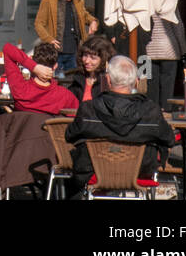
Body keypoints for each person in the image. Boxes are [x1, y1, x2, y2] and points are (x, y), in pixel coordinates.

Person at [65, 54, 176, 192]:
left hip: (94, 170)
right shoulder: (151, 111)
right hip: (140, 171)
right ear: (136, 82)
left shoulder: (88, 109)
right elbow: (169, 139)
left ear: (108, 80)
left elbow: (70, 136)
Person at [34, 0, 98, 74]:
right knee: (56, 78)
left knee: (72, 78)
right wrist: (49, 39)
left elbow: (84, 16)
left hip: (74, 50)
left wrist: (93, 21)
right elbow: (39, 24)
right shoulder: (48, 2)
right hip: (56, 50)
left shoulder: (78, 2)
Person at [2, 41, 80, 116]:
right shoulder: (66, 96)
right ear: (55, 66)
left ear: (32, 60)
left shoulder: (20, 89)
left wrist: (33, 67)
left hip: (23, 128)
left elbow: (7, 48)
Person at [145, 14, 186, 110]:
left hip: (148, 50)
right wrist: (184, 50)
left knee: (151, 83)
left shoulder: (146, 1)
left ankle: (152, 111)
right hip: (169, 50)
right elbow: (178, 28)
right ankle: (166, 109)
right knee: (168, 84)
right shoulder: (170, 2)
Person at [68, 34, 115, 103]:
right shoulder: (78, 78)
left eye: (93, 58)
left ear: (103, 60)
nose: (87, 61)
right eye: (85, 55)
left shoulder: (105, 80)